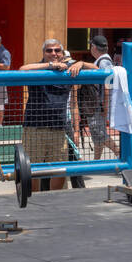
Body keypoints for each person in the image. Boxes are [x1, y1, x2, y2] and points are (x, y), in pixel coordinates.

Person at [19, 40, 77, 191]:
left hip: (58, 130)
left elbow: (96, 68)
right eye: (49, 50)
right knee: (31, 171)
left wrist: (81, 63)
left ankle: (56, 203)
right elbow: (22, 69)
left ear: (62, 54)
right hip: (34, 129)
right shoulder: (38, 68)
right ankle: (31, 204)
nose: (53, 53)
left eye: (57, 50)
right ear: (43, 53)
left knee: (60, 171)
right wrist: (50, 66)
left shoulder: (68, 70)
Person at [67, 34, 125, 158]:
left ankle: (121, 156)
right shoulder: (102, 60)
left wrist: (105, 105)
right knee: (97, 134)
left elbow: (107, 84)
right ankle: (96, 160)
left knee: (100, 134)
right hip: (98, 105)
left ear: (93, 47)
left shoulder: (103, 61)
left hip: (98, 106)